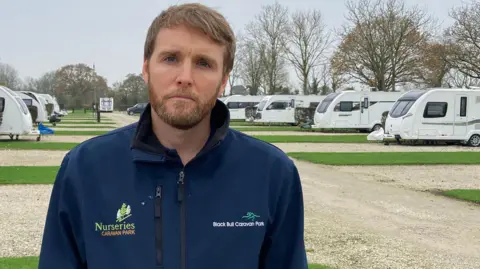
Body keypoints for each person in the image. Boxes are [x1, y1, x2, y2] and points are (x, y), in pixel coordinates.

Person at [37, 3, 308, 269]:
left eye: (204, 63)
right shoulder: (85, 169)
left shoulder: (271, 173)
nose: (185, 77)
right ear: (146, 68)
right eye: (170, 58)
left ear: (223, 80)